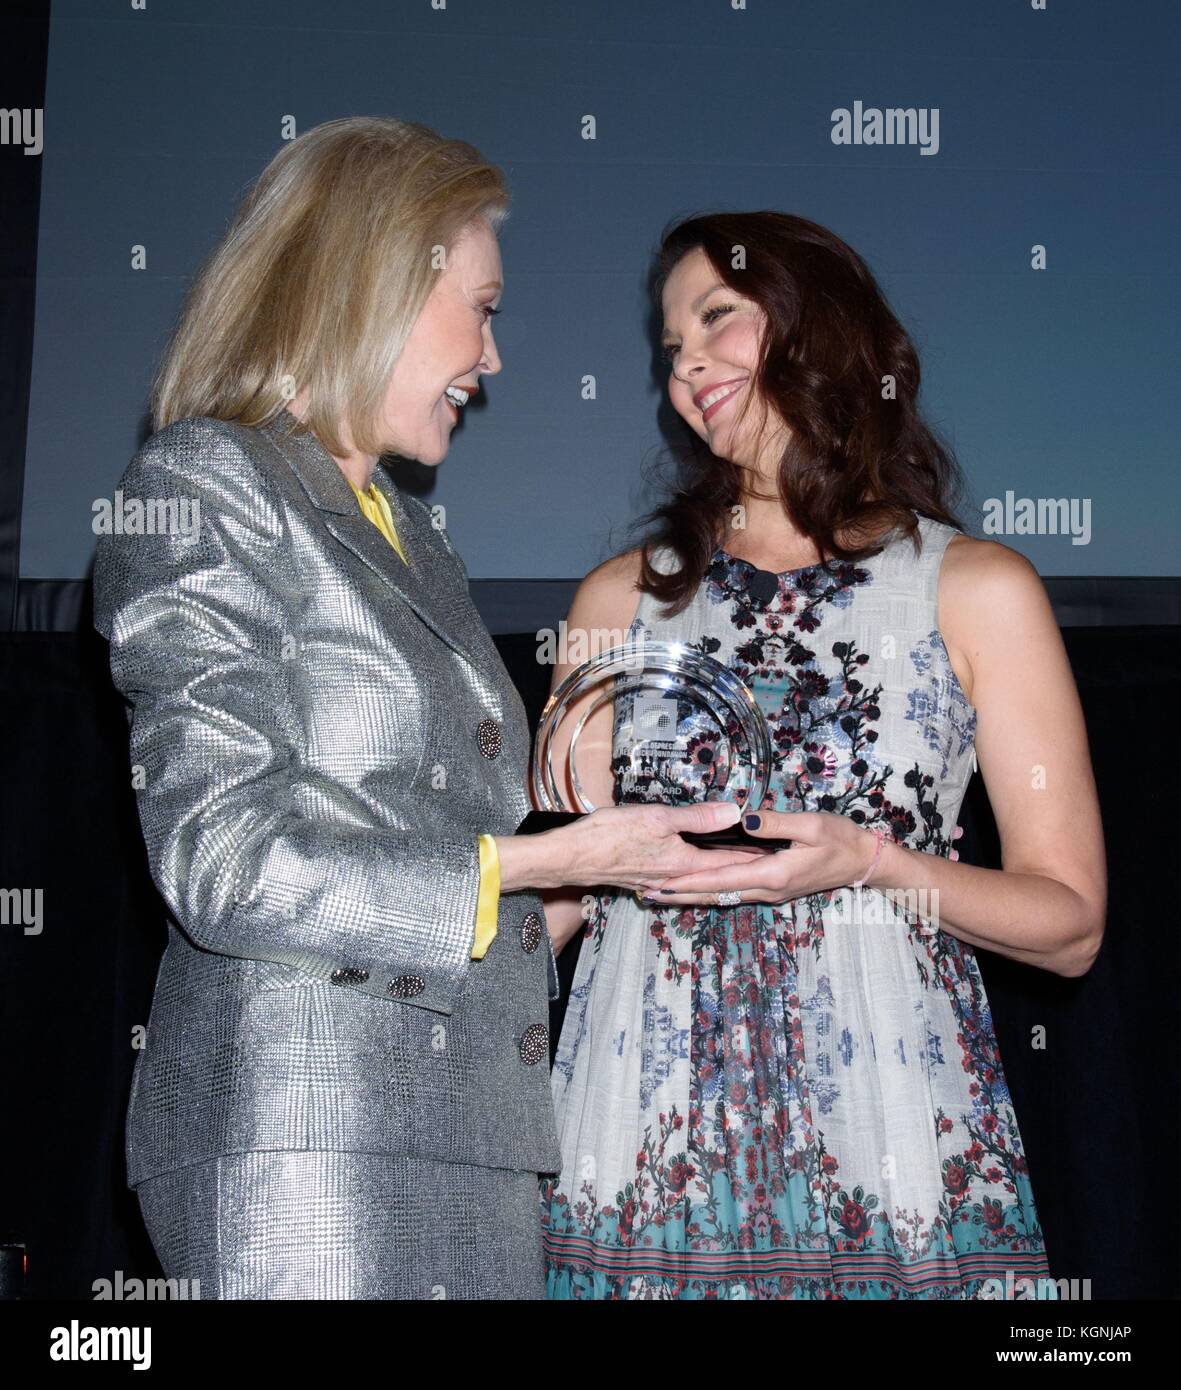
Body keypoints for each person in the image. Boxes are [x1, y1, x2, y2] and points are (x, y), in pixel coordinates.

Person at [91, 117, 749, 1300]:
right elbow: (223, 860)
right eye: (482, 307)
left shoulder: (416, 541)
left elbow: (442, 886)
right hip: (311, 1138)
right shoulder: (207, 482)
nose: (492, 360)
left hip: (474, 1137)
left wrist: (598, 876)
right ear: (376, 281)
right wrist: (537, 861)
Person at [538, 211, 1106, 1299]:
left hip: (887, 1145)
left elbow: (1070, 923)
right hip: (640, 1142)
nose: (683, 366)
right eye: (668, 350)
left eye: (714, 321)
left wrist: (874, 863)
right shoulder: (615, 602)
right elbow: (551, 901)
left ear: (815, 329)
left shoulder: (977, 590)